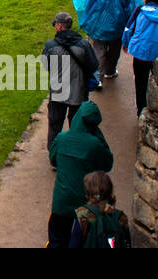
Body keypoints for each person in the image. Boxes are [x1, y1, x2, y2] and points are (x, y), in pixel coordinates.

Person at [47, 101, 112, 248]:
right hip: (84, 206)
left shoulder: (61, 138)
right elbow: (108, 164)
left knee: (57, 239)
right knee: (84, 239)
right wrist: (99, 136)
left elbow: (53, 159)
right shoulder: (95, 144)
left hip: (61, 202)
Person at [72, 0, 143, 87]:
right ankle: (110, 71)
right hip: (116, 27)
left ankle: (97, 78)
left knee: (99, 50)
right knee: (114, 50)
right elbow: (132, 10)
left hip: (98, 25)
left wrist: (89, 15)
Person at [42, 11, 98, 159]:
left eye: (55, 24)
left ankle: (54, 156)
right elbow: (93, 65)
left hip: (58, 91)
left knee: (55, 125)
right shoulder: (83, 44)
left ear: (59, 26)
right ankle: (73, 154)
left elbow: (46, 66)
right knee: (76, 125)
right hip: (78, 90)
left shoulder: (51, 45)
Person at [124, 0, 158, 117]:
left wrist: (126, 43)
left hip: (139, 53)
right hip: (155, 54)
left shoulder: (140, 11)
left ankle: (141, 109)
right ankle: (154, 108)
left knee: (140, 82)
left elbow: (129, 28)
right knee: (155, 82)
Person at [68, 172, 132, 249]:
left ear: (88, 193)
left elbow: (73, 244)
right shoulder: (121, 217)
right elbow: (127, 243)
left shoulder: (83, 214)